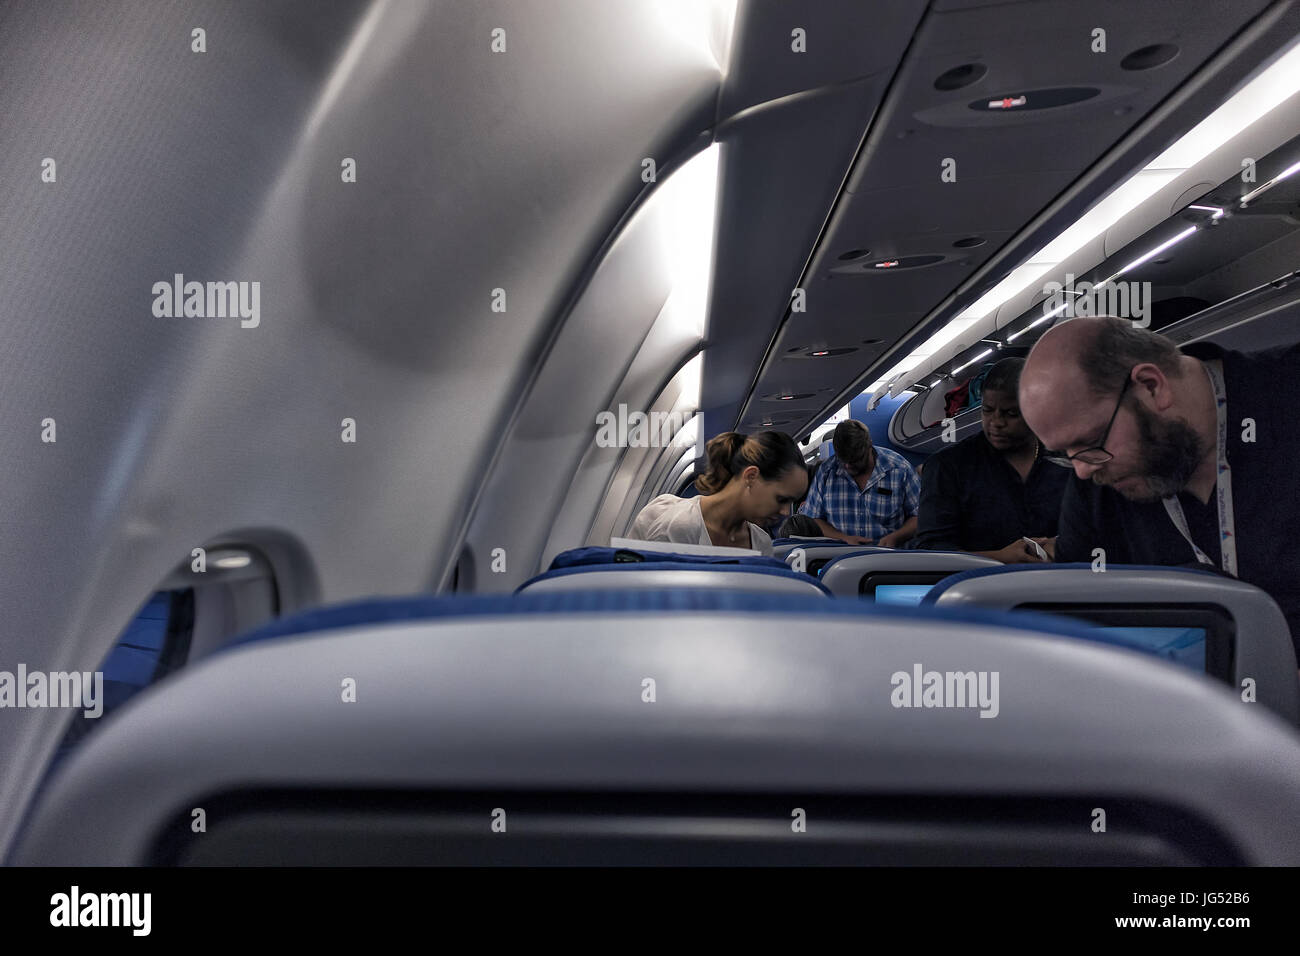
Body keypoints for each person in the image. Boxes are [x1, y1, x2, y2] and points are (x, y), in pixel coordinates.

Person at [1019, 316, 1300, 657]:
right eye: (1065, 455)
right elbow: (1080, 623)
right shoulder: (1096, 482)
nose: (1080, 471)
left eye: (1091, 442)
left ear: (1152, 386)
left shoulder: (1288, 395)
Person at [913, 358, 1069, 562]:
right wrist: (999, 557)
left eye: (1011, 413)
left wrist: (1065, 545)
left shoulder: (1072, 463)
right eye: (987, 410)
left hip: (1062, 587)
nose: (996, 422)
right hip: (976, 589)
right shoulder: (948, 467)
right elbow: (930, 551)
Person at [628, 431, 808, 556]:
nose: (786, 512)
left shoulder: (761, 542)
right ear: (751, 477)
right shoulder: (680, 527)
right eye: (781, 499)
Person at [798, 419, 920, 548]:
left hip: (891, 558)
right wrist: (843, 538)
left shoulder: (899, 469)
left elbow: (919, 515)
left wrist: (896, 537)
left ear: (869, 446)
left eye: (855, 460)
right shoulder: (826, 473)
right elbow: (813, 519)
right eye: (843, 460)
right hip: (841, 559)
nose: (848, 466)